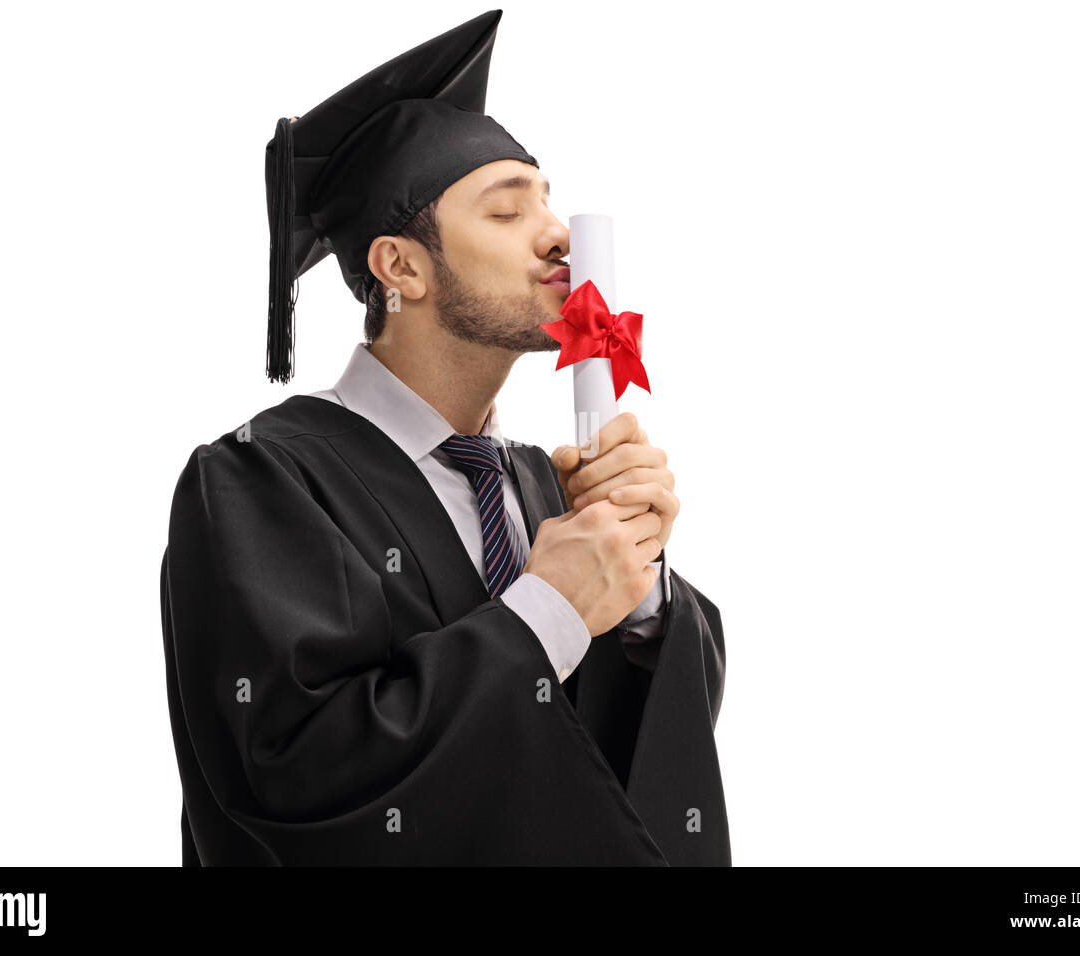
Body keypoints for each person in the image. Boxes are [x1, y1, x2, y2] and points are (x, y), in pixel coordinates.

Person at [159, 9, 729, 866]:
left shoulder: (545, 487)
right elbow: (285, 771)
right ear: (402, 268)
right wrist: (549, 609)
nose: (560, 235)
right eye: (507, 213)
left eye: (549, 200)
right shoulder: (264, 478)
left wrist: (638, 593)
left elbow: (608, 773)